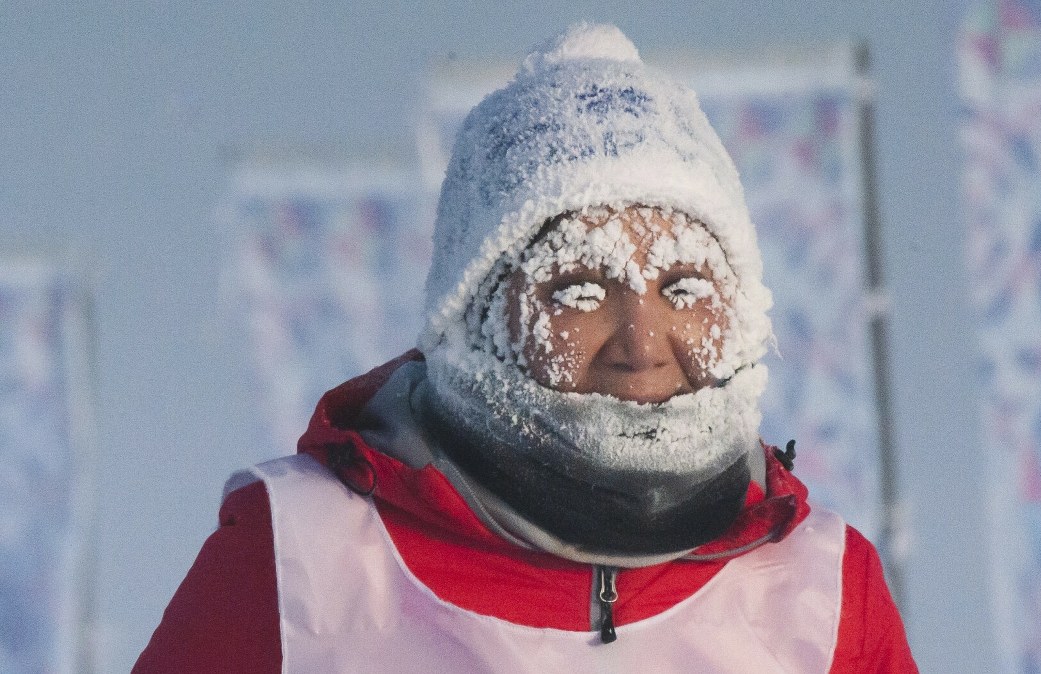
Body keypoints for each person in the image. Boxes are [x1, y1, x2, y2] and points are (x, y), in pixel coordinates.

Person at [135, 22, 916, 673]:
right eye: (578, 290)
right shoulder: (296, 563)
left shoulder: (823, 597)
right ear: (475, 316)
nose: (642, 345)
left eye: (683, 287)